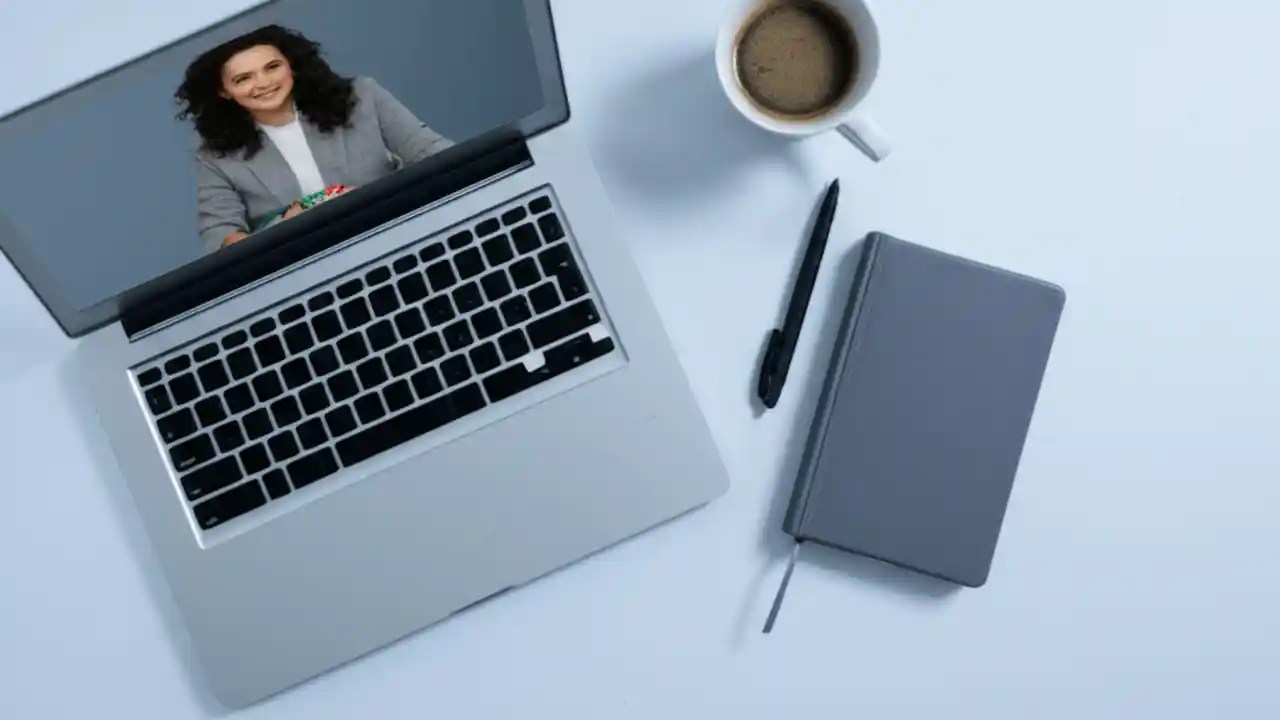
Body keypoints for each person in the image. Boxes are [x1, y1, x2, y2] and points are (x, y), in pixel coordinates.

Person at [176, 25, 453, 254]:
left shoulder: (362, 96)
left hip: (400, 237)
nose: (263, 83)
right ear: (224, 92)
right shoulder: (215, 158)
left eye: (272, 67)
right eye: (243, 78)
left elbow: (436, 154)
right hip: (305, 269)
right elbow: (220, 239)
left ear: (291, 67)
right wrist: (296, 215)